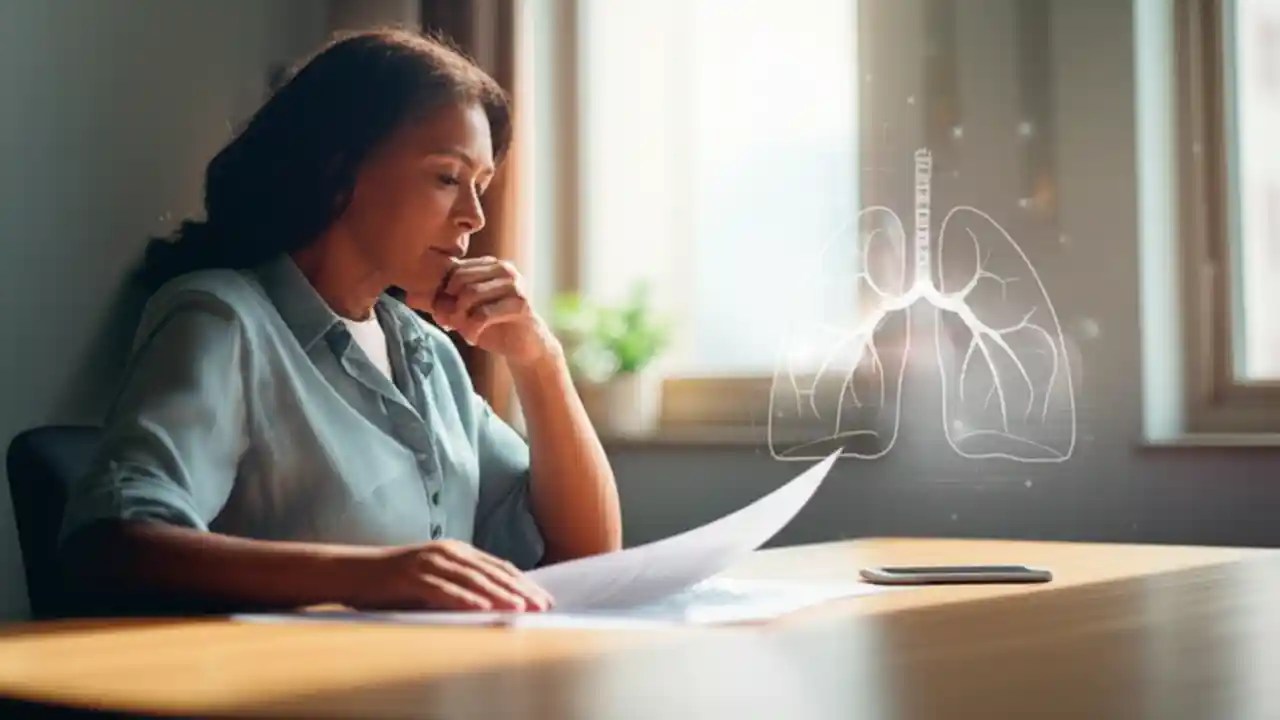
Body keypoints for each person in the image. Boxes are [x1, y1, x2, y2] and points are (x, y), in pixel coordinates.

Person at [57, 29, 622, 614]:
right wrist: (370, 577)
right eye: (448, 178)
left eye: (480, 187)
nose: (474, 217)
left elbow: (589, 558)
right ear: (338, 166)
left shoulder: (428, 354)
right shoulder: (223, 320)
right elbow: (108, 548)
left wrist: (540, 362)